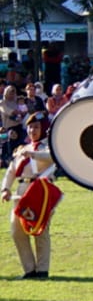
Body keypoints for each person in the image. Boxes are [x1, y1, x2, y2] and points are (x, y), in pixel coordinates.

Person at [2, 112, 56, 278]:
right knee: (17, 230)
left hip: (40, 190)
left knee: (40, 230)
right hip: (21, 190)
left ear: (43, 129)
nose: (33, 130)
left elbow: (52, 157)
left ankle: (42, 269)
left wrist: (33, 154)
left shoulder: (47, 146)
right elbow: (11, 171)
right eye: (30, 127)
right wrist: (5, 188)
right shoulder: (21, 148)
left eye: (36, 127)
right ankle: (29, 269)